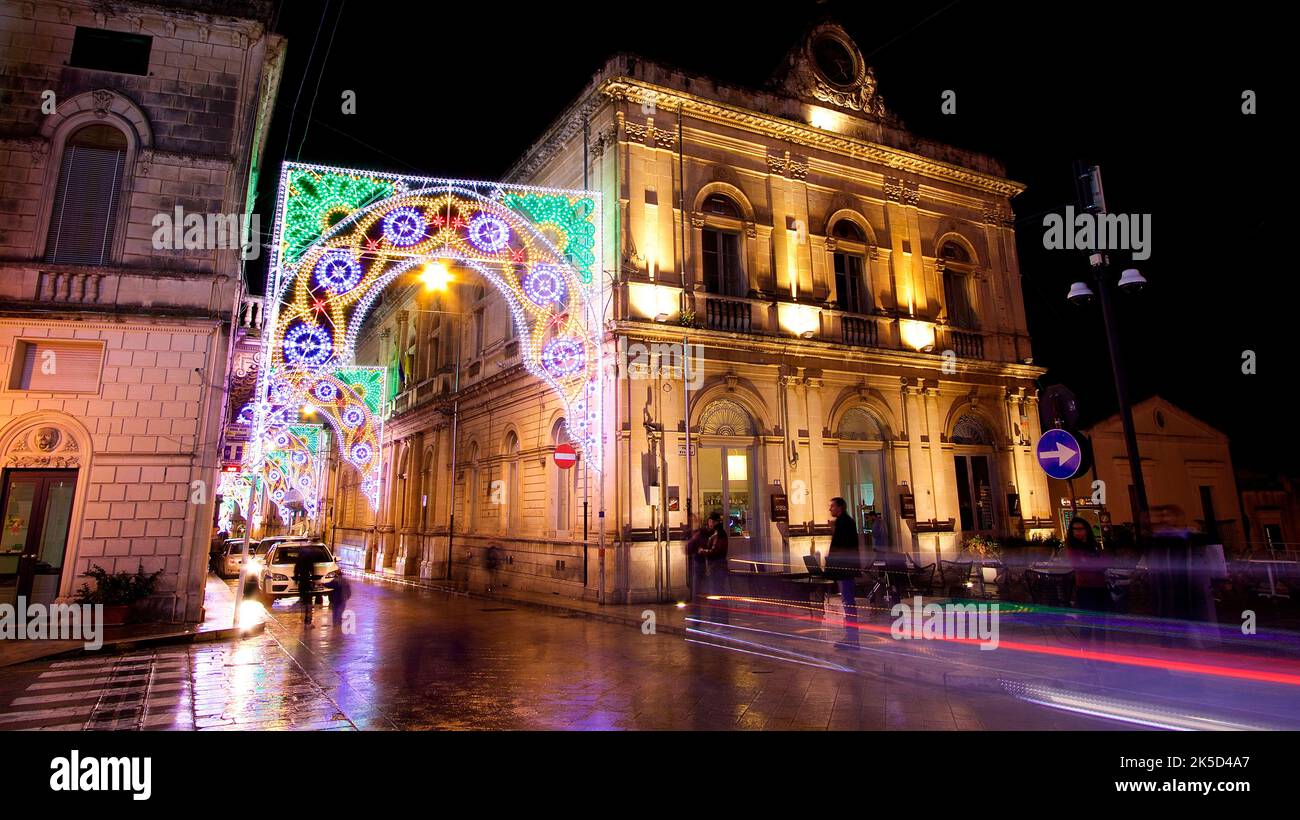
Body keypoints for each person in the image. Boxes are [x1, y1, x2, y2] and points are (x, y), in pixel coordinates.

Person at [1065, 516, 1108, 649]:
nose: (1078, 532)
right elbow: (1081, 565)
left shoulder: (1093, 546)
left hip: (1100, 587)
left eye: (1080, 529)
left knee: (1100, 623)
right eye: (1074, 529)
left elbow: (1103, 562)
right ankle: (1086, 654)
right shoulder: (1073, 549)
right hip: (1085, 588)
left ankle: (1101, 653)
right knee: (1087, 624)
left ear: (1087, 530)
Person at [825, 497, 862, 647]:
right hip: (845, 568)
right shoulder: (845, 522)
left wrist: (832, 567)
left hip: (845, 569)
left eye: (832, 506)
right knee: (847, 601)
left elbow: (841, 548)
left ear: (840, 507)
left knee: (848, 602)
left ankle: (852, 638)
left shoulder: (844, 523)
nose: (830, 509)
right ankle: (851, 637)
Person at [697, 511, 729, 623]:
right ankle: (717, 617)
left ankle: (718, 618)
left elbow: (715, 551)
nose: (708, 523)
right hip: (717, 566)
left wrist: (703, 551)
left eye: (710, 521)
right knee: (716, 593)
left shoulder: (718, 533)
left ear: (713, 521)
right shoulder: (717, 533)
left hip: (717, 566)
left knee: (716, 593)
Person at [684, 516, 710, 603]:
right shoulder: (694, 533)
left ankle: (698, 603)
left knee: (698, 584)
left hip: (701, 562)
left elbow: (702, 546)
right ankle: (698, 602)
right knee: (698, 584)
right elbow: (688, 549)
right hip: (697, 561)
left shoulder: (701, 533)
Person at [292, 548, 317, 625]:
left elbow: (296, 571)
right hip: (308, 583)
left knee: (304, 601)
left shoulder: (299, 561)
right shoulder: (310, 561)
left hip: (302, 583)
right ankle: (308, 619)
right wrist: (313, 579)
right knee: (308, 602)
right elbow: (313, 571)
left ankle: (304, 617)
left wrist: (296, 580)